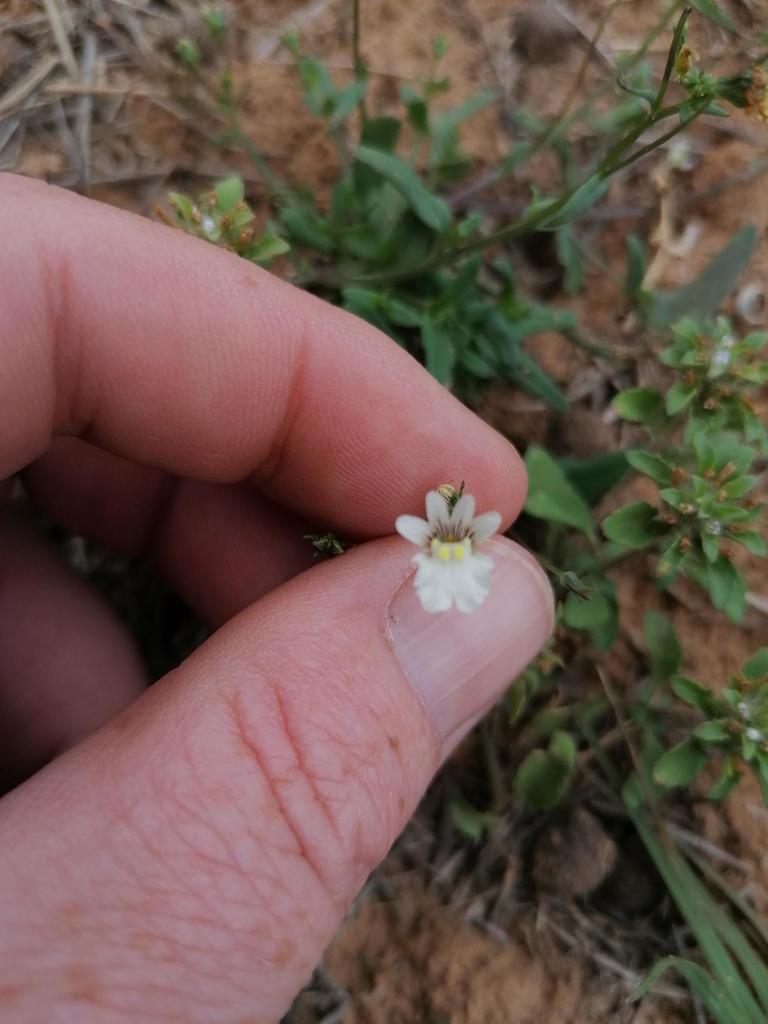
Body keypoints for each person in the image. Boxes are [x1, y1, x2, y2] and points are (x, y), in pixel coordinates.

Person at [0, 174, 553, 1021]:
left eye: (453, 536)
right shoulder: (431, 542)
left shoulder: (447, 538)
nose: (450, 539)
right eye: (448, 535)